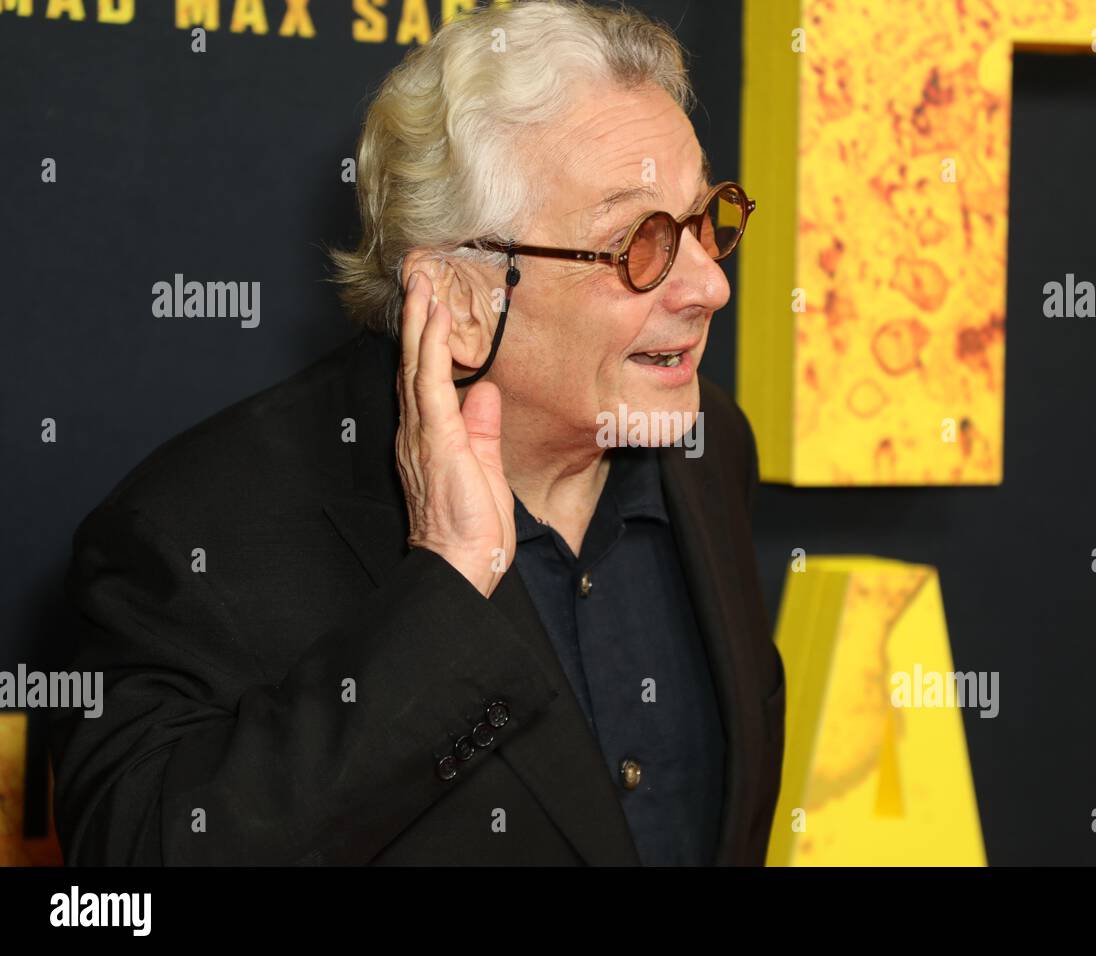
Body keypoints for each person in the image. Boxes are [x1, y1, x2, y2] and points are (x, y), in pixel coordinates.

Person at [51, 0, 783, 866]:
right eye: (640, 243)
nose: (708, 286)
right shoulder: (196, 534)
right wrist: (447, 588)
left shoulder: (710, 450)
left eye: (704, 221)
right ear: (461, 301)